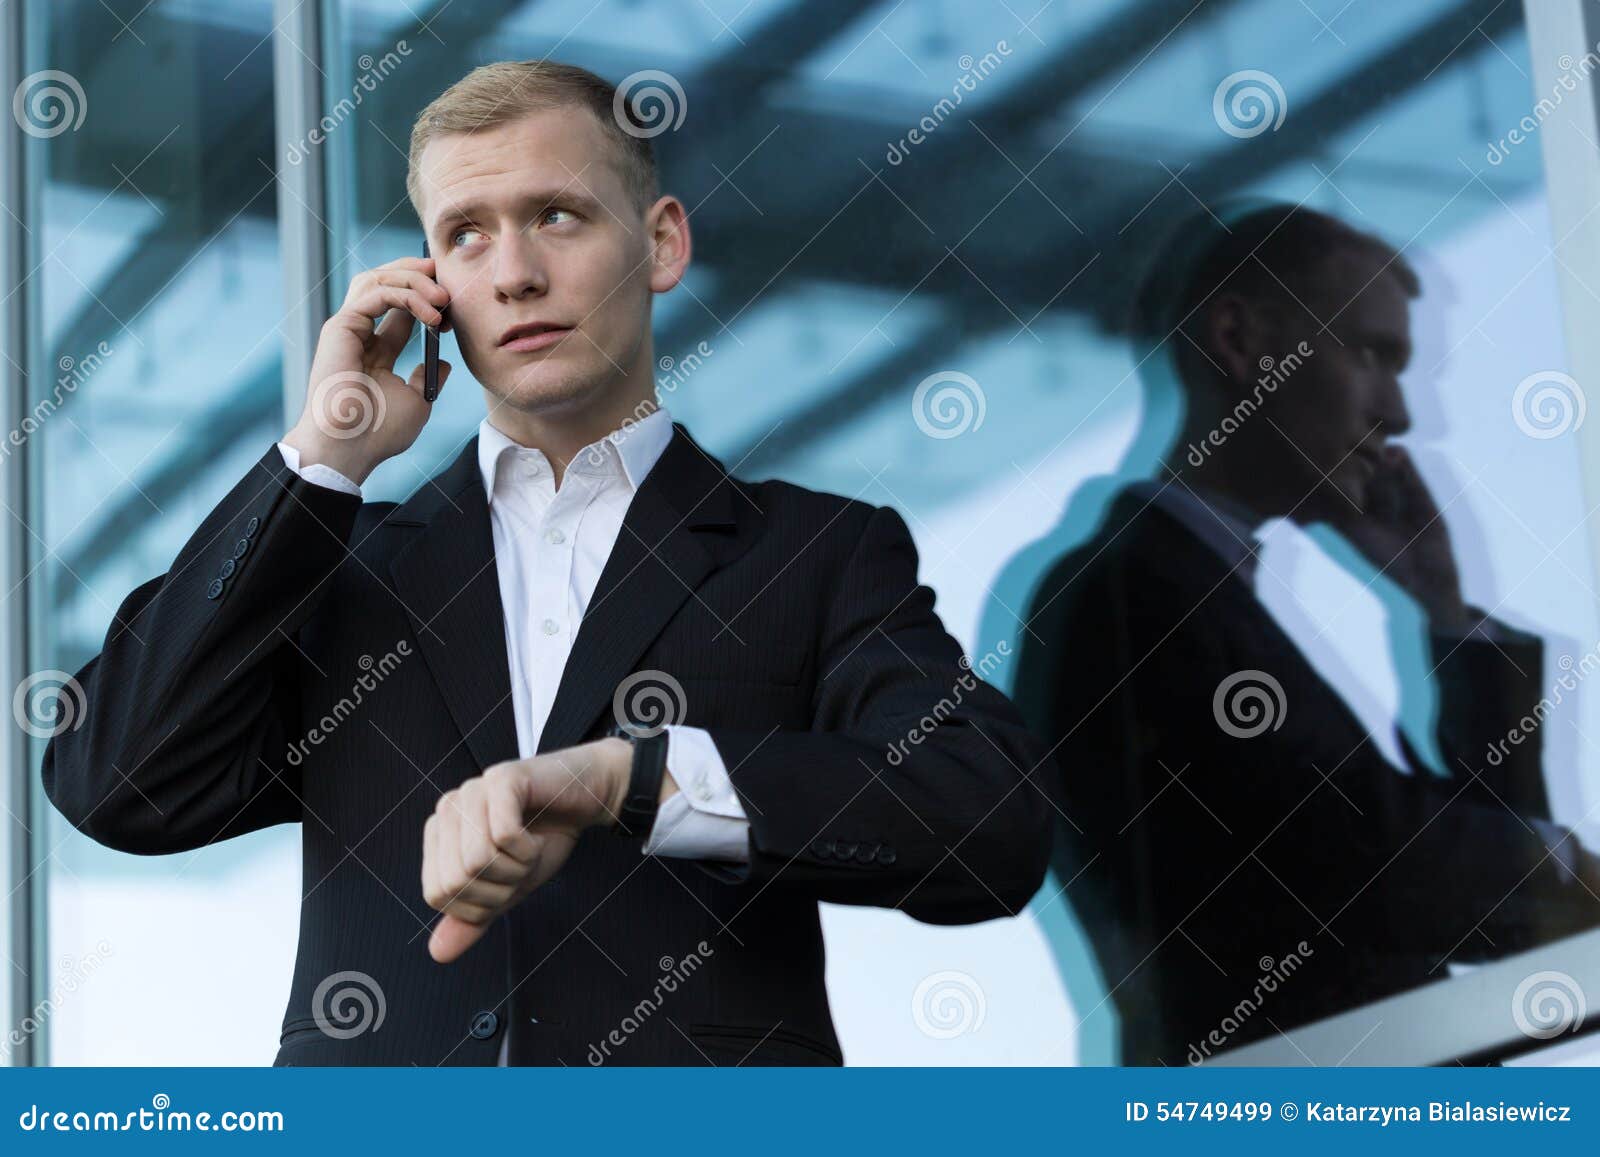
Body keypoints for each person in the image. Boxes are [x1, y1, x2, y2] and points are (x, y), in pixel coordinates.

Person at [42, 60, 1050, 1066]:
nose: (513, 271)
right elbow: (118, 780)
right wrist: (324, 451)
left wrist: (632, 776)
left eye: (557, 215)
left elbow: (986, 819)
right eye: (464, 233)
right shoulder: (343, 569)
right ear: (431, 280)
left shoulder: (814, 551)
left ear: (659, 242)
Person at [1014, 204, 1600, 1065]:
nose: (1399, 414)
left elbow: (1482, 909)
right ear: (1241, 338)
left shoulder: (1177, 589)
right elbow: (1382, 863)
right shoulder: (1133, 593)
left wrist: (1442, 605)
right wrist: (1565, 871)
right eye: (1371, 353)